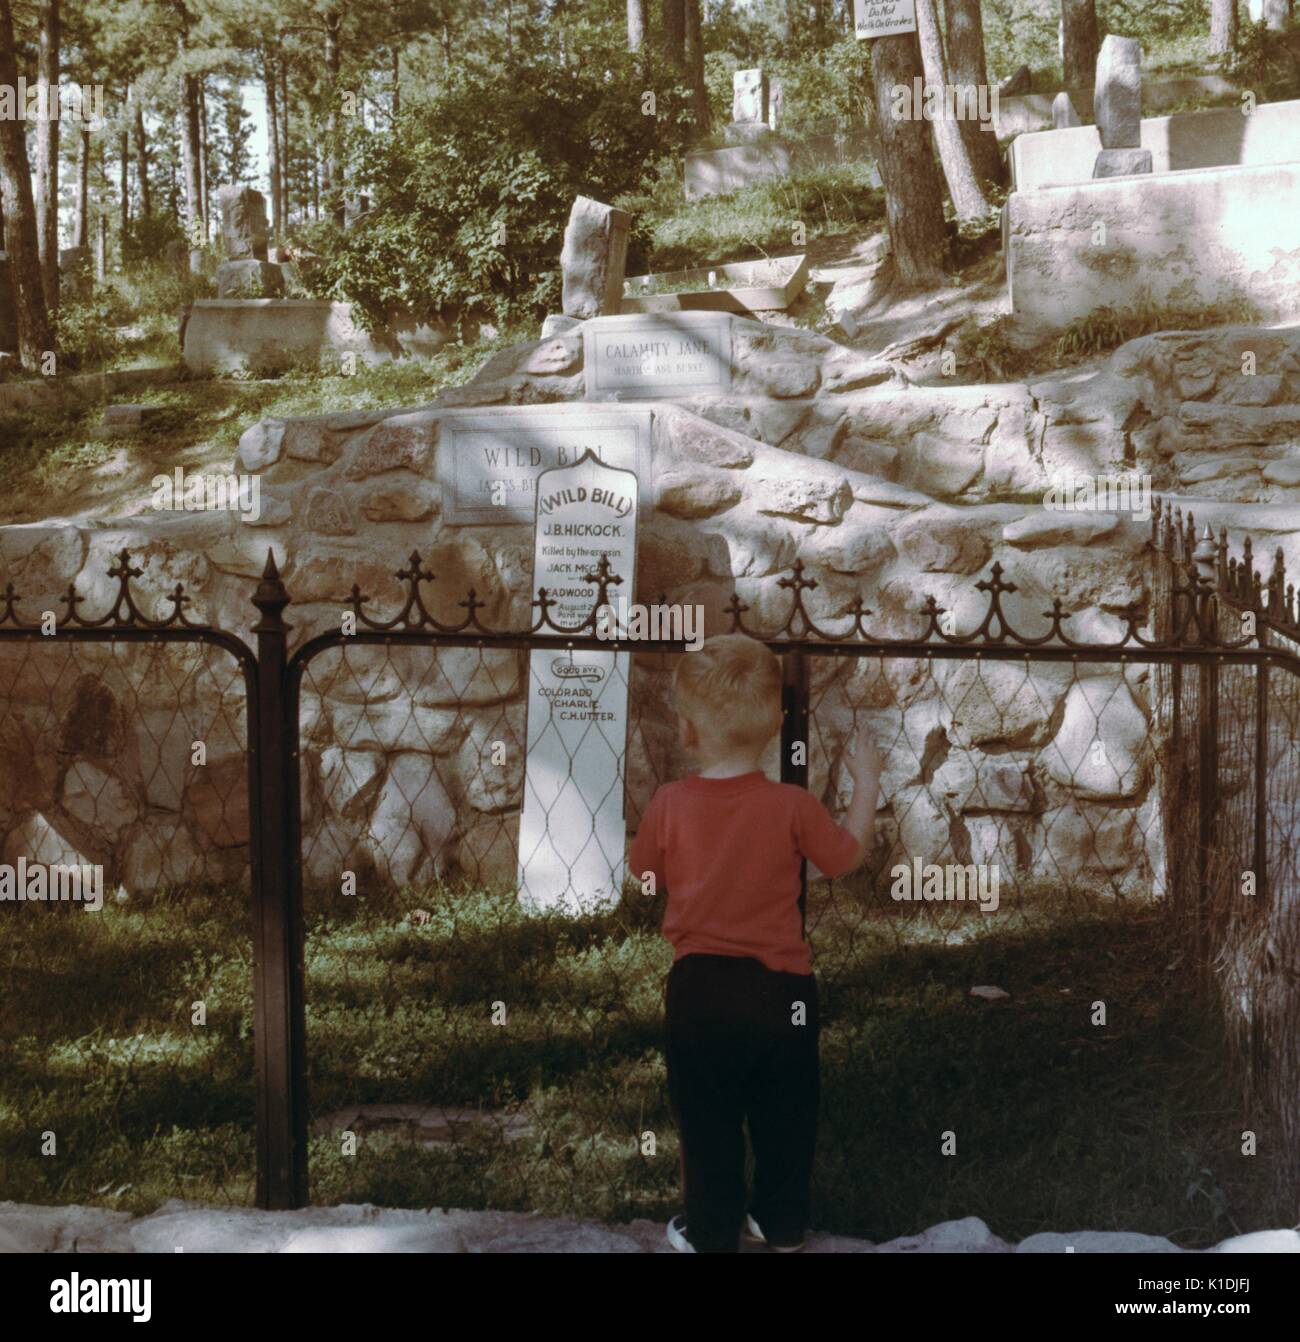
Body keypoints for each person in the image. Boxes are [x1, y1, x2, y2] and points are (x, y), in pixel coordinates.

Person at [628, 633, 881, 1254]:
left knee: (707, 1119)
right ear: (776, 724)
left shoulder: (669, 803)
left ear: (686, 731)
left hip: (700, 991)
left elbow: (645, 873)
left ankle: (713, 1233)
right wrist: (867, 785)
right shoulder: (792, 805)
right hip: (784, 993)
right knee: (786, 1114)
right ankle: (781, 1224)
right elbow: (844, 858)